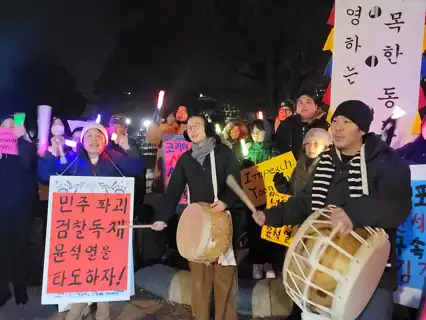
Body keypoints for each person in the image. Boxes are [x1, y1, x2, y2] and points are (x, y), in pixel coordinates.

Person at [253, 100, 412, 320]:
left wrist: (353, 214)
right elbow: (305, 202)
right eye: (335, 121)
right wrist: (271, 215)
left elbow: (397, 205)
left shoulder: (385, 160)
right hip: (323, 270)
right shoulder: (326, 161)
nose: (337, 128)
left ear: (362, 129)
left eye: (346, 122)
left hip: (371, 271)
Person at [39, 122, 144, 320]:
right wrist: (50, 152)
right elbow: (45, 175)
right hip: (81, 225)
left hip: (108, 224)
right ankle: (79, 303)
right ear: (82, 140)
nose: (94, 140)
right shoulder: (72, 160)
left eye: (98, 136)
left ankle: (103, 302)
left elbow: (137, 168)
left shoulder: (114, 159)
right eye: (89, 136)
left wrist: (129, 147)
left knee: (105, 261)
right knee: (83, 262)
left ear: (105, 141)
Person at [151, 115, 240, 320]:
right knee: (199, 277)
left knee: (223, 276)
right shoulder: (186, 158)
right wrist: (162, 217)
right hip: (199, 223)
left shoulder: (224, 153)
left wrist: (225, 201)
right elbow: (173, 191)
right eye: (189, 127)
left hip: (221, 218)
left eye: (196, 125)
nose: (191, 129)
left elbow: (236, 183)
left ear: (206, 128)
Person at [0, 116, 38, 306]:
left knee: (20, 247)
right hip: (1, 206)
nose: (8, 129)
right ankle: (2, 290)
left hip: (22, 206)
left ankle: (20, 289)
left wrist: (20, 140)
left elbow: (27, 163)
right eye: (4, 126)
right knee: (2, 248)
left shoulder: (26, 147)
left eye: (12, 125)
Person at [276, 93, 329, 159]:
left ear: (315, 107)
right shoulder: (285, 125)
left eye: (308, 102)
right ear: (296, 108)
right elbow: (277, 148)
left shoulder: (324, 126)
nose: (304, 105)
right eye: (300, 103)